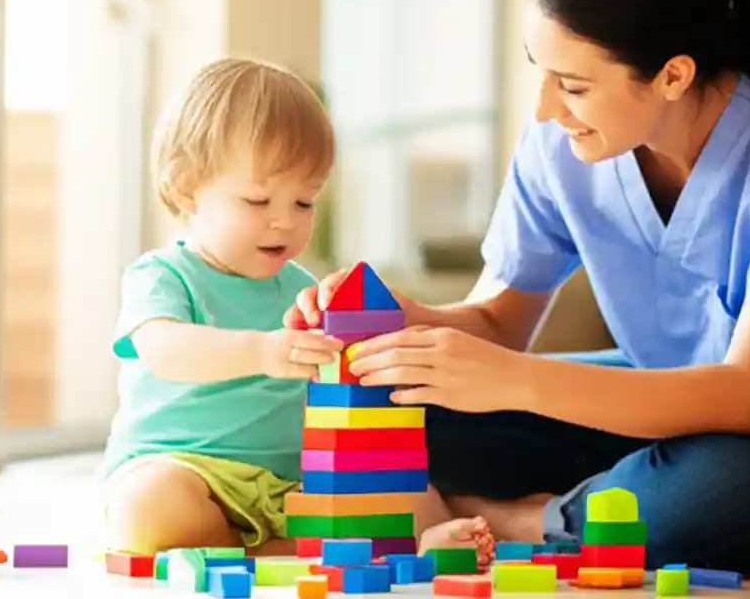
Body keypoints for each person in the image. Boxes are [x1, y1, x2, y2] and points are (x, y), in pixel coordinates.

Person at [290, 0, 750, 576]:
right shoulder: (558, 145)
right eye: (542, 71)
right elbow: (498, 324)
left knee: (689, 499)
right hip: (648, 411)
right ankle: (573, 505)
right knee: (398, 402)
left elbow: (748, 398)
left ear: (673, 75)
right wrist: (405, 325)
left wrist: (517, 382)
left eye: (573, 85)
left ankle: (516, 520)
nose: (543, 108)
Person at [101, 57, 490, 559]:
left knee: (413, 490)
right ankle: (287, 550)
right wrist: (263, 352)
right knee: (148, 511)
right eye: (258, 202)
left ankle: (406, 540)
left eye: (304, 203)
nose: (284, 222)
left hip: (294, 482)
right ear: (185, 189)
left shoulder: (305, 290)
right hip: (187, 471)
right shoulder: (164, 276)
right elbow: (164, 349)